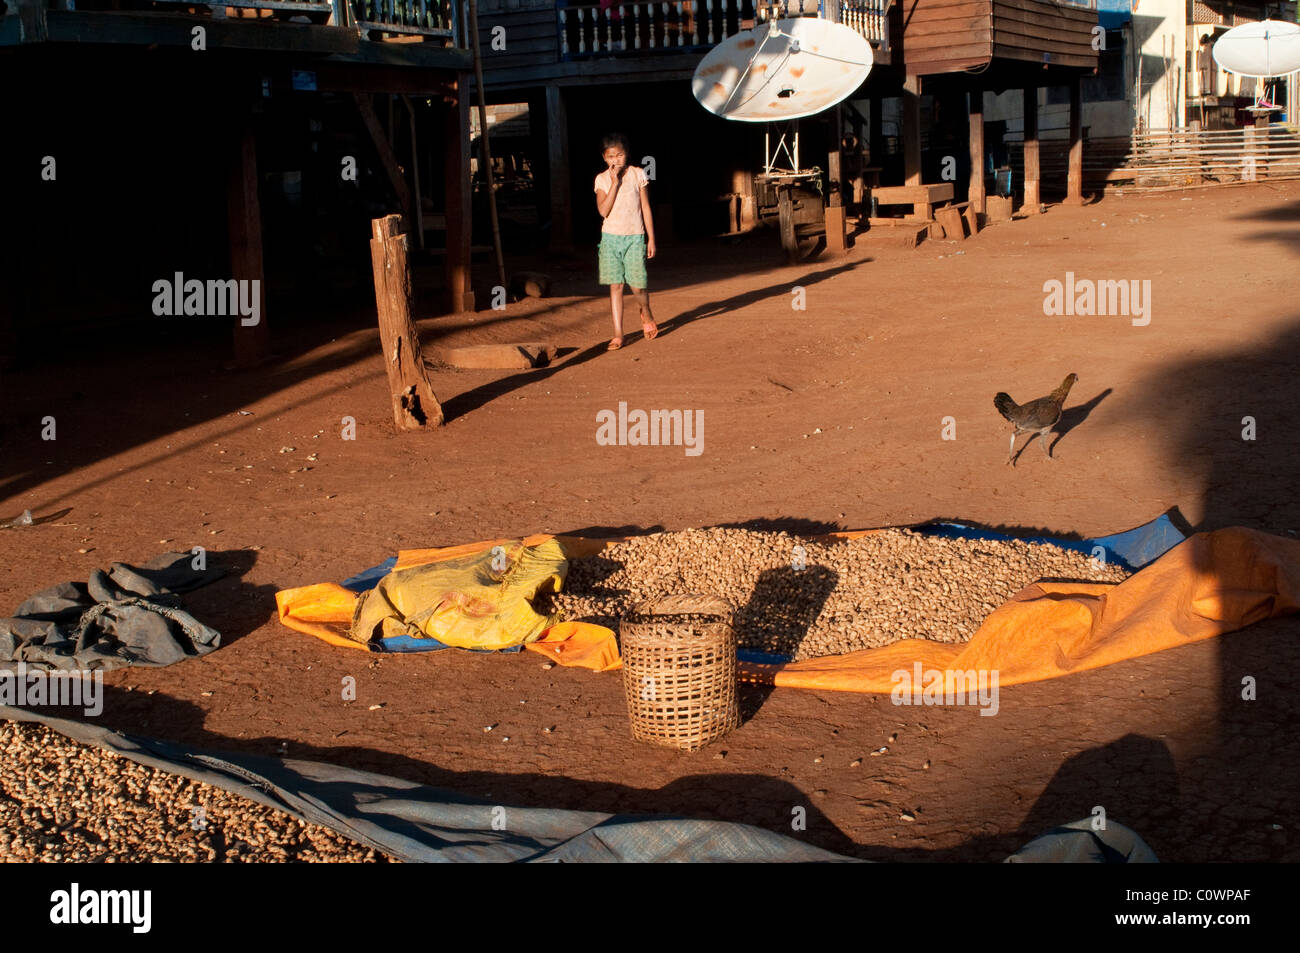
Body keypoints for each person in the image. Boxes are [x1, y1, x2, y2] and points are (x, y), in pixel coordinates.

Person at [593, 133, 658, 350]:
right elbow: (603, 210)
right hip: (610, 239)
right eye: (611, 156)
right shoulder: (601, 180)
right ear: (604, 157)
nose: (616, 160)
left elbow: (646, 208)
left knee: (638, 285)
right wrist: (614, 183)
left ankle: (646, 311)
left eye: (619, 155)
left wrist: (651, 238)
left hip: (635, 237)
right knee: (616, 286)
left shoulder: (638, 174)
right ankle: (619, 334)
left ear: (626, 154)